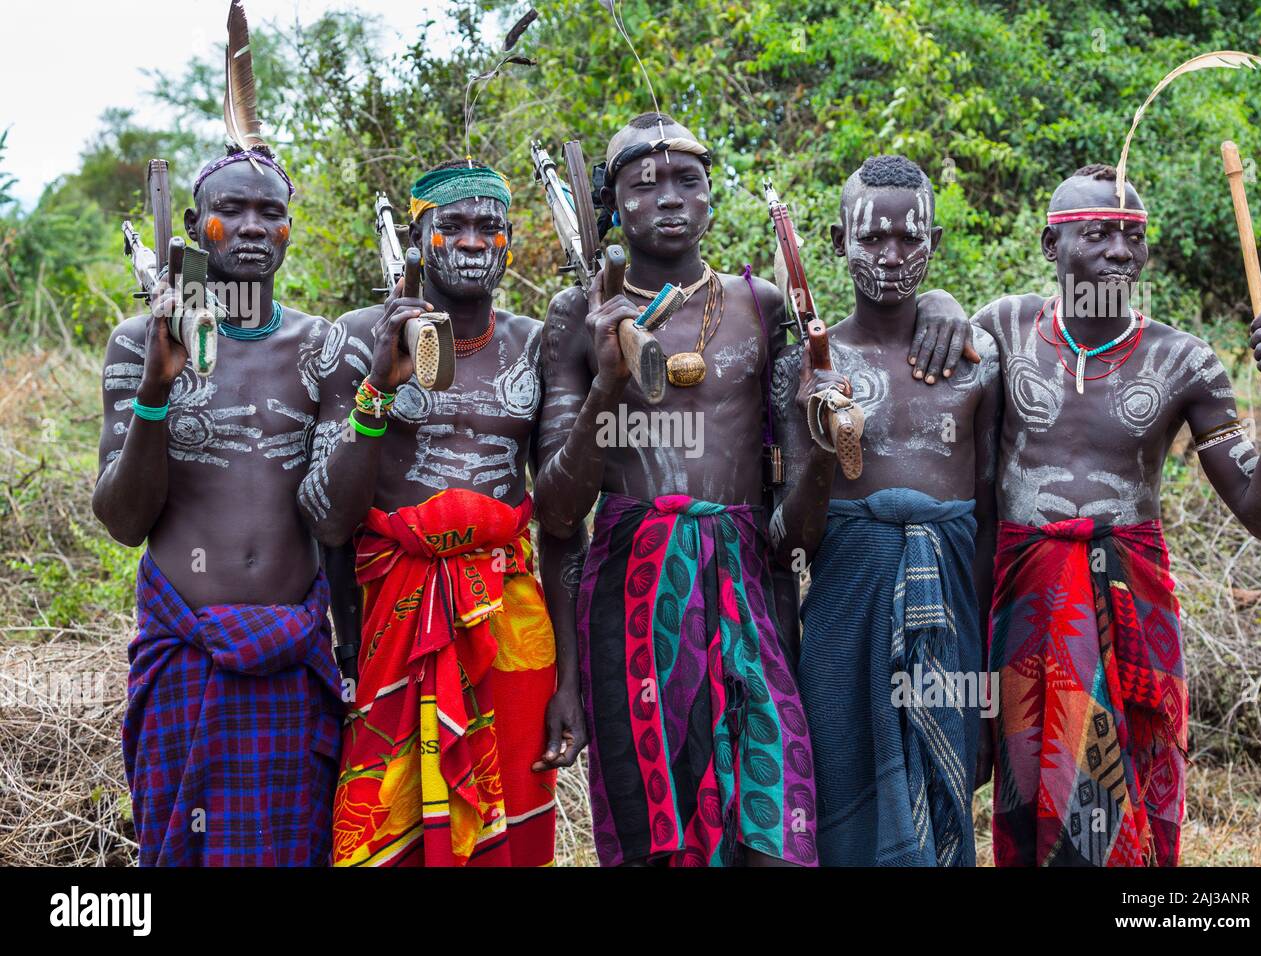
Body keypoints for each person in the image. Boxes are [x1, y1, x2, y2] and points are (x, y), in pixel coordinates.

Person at [534, 113, 977, 866]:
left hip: (750, 584)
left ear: (712, 197)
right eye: (644, 185)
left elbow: (793, 503)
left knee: (774, 825)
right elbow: (555, 509)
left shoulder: (759, 305)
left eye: (688, 181)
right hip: (629, 595)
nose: (669, 199)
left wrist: (939, 306)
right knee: (656, 828)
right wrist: (608, 381)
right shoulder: (578, 315)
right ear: (611, 205)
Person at [974, 163, 1261, 866]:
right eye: (1098, 234)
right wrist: (938, 303)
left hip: (1134, 607)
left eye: (1133, 237)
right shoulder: (1000, 330)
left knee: (1141, 793)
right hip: (1030, 607)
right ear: (1050, 246)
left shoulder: (1185, 361)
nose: (1120, 252)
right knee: (1036, 794)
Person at [301, 160, 587, 867]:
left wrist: (571, 683)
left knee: (511, 833)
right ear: (415, 239)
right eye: (449, 226)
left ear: (510, 241)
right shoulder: (357, 335)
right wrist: (377, 384)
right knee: (392, 831)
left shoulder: (534, 344)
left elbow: (560, 521)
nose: (469, 242)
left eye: (487, 228)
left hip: (510, 630)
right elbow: (330, 521)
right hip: (394, 626)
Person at [94, 146, 342, 866]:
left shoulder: (319, 348)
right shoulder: (139, 342)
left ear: (291, 230)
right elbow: (122, 521)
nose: (254, 226)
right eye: (231, 210)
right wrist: (155, 390)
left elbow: (336, 519)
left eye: (271, 212)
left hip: (295, 655)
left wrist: (351, 652)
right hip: (187, 658)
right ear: (197, 226)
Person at [773, 154, 1001, 866]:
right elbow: (787, 540)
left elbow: (992, 521)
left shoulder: (976, 360)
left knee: (942, 799)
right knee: (842, 805)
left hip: (951, 629)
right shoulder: (802, 367)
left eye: (911, 238)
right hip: (843, 625)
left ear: (934, 245)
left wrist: (987, 678)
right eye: (872, 239)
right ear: (839, 243)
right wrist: (814, 446)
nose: (893, 255)